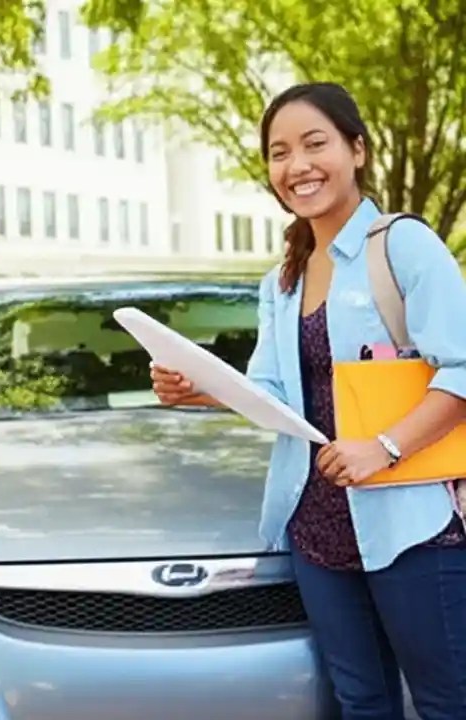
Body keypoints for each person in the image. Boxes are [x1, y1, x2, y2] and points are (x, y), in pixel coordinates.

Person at [152, 82, 466, 719]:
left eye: (314, 144)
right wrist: (199, 389)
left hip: (412, 525)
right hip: (316, 526)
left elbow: (462, 371)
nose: (297, 165)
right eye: (279, 152)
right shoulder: (284, 277)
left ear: (357, 149)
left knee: (446, 702)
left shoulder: (403, 245)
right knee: (360, 702)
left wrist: (383, 449)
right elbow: (271, 392)